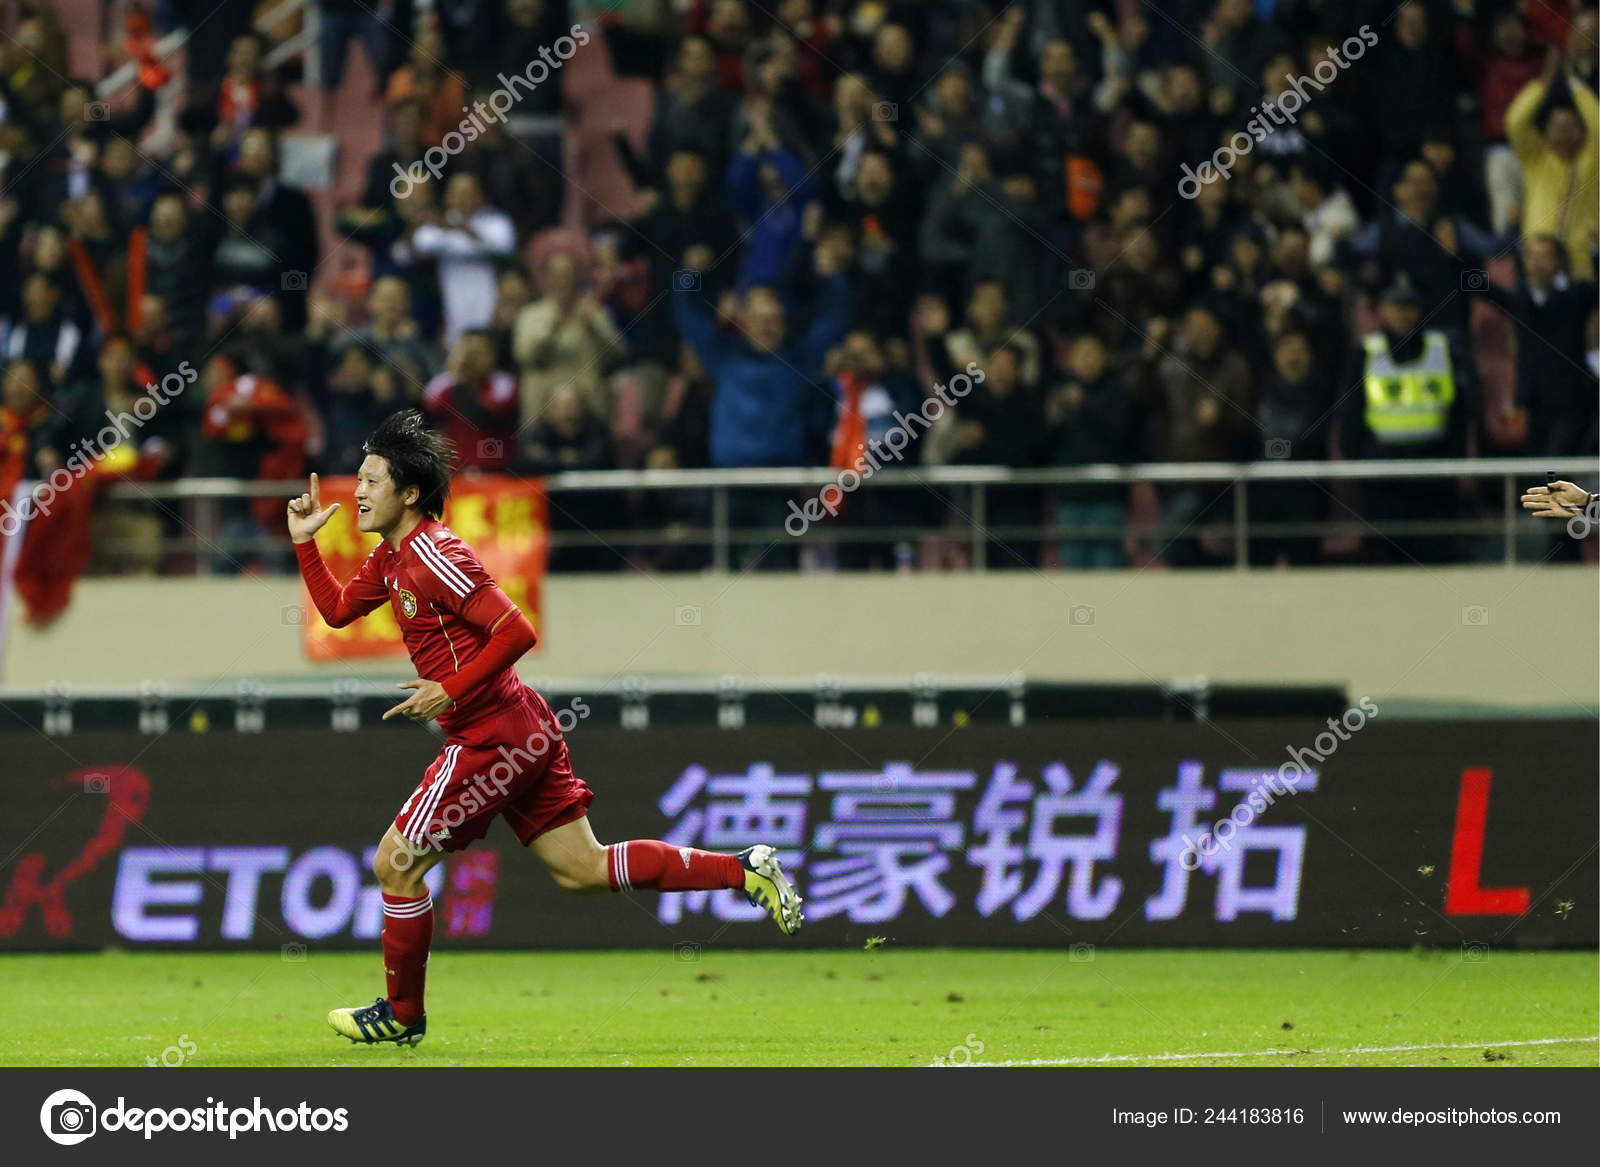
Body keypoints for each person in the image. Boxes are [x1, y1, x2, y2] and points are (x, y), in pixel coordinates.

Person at [287, 410, 802, 1046]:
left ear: (409, 492)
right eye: (357, 479)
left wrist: (448, 687)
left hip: (491, 735)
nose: (356, 491)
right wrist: (307, 542)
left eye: (370, 479)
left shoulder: (436, 555)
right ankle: (743, 868)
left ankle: (402, 1014)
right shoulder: (391, 560)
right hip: (518, 727)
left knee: (394, 864)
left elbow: (517, 630)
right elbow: (337, 612)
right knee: (583, 869)